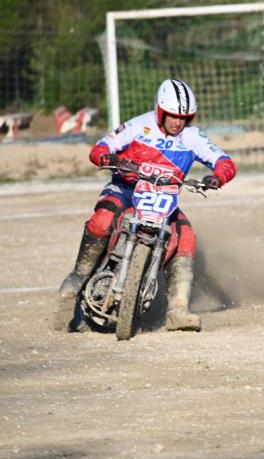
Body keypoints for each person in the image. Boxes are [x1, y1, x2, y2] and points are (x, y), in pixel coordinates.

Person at [52, 79, 237, 332]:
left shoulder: (193, 137)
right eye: (172, 115)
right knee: (102, 220)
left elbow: (225, 162)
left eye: (184, 117)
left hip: (164, 196)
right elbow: (101, 148)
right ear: (160, 110)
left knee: (186, 237)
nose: (178, 122)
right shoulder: (139, 125)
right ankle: (78, 276)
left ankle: (177, 310)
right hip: (125, 190)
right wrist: (107, 157)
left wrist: (217, 177)